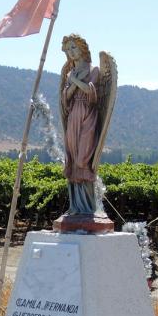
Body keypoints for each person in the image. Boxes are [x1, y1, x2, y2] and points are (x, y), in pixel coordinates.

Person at [60, 34, 102, 216]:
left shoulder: (94, 70)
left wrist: (73, 80)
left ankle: (89, 207)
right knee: (72, 156)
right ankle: (76, 206)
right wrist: (71, 83)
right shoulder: (70, 72)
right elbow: (66, 97)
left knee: (83, 159)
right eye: (68, 49)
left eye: (73, 47)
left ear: (82, 49)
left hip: (87, 116)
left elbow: (90, 91)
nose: (71, 52)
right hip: (73, 116)